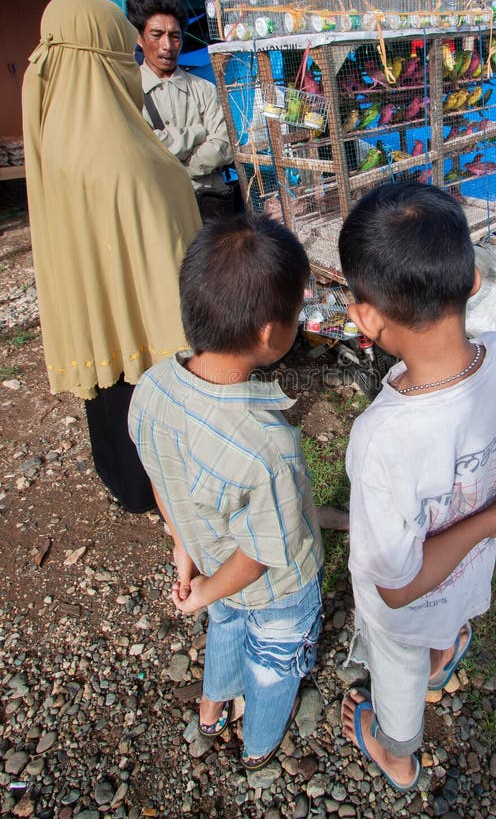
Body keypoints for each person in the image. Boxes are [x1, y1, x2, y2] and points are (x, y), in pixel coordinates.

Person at [337, 181, 496, 791]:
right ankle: (443, 654)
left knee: (397, 676)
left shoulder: (382, 439)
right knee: (448, 616)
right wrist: (488, 515)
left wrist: (489, 519)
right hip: (467, 575)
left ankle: (397, 754)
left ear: (365, 319)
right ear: (473, 281)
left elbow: (397, 589)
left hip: (409, 610)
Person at [128, 214, 325, 769]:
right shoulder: (268, 449)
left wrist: (184, 553)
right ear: (270, 333)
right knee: (272, 663)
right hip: (275, 588)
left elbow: (161, 477)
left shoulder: (151, 387)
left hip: (210, 559)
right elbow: (264, 554)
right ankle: (259, 746)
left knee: (227, 626)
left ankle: (211, 708)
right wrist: (208, 591)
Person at [22, 0, 202, 513]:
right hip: (154, 343)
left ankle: (127, 483)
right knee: (150, 405)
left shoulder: (54, 137)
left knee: (110, 403)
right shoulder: (128, 155)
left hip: (97, 320)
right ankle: (166, 494)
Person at [126, 0, 236, 224]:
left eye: (175, 36)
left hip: (210, 205)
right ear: (139, 38)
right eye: (157, 35)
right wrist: (197, 133)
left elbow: (224, 144)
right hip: (158, 209)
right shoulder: (127, 91)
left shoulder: (204, 89)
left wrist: (178, 171)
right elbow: (140, 149)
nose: (168, 45)